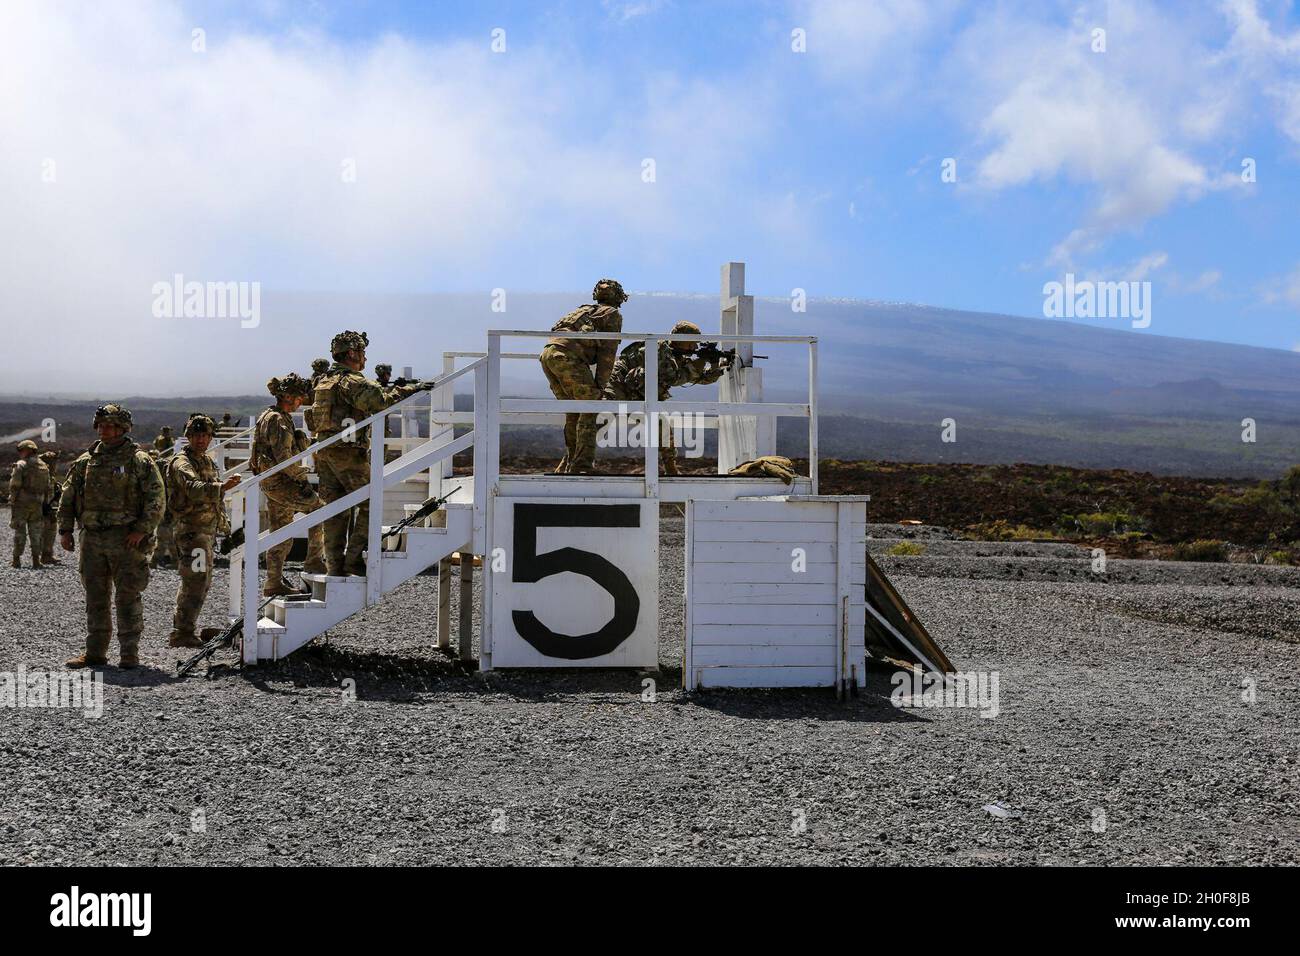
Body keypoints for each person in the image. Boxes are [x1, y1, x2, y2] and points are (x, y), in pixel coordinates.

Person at [310, 331, 427, 576]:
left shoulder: (325, 381)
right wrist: (410, 390)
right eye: (362, 352)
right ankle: (354, 560)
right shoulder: (351, 381)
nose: (364, 358)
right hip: (348, 454)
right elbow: (380, 402)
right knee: (370, 503)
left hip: (326, 452)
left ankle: (334, 566)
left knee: (335, 510)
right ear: (352, 353)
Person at [57, 404, 165, 669]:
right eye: (102, 425)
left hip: (126, 540)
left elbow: (156, 497)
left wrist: (142, 529)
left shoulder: (138, 460)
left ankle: (129, 653)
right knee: (96, 597)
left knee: (127, 596)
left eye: (111, 426)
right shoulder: (86, 461)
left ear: (122, 428)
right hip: (92, 538)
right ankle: (95, 652)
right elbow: (68, 495)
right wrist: (65, 529)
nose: (105, 430)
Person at [603, 321, 730, 475]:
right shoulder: (659, 350)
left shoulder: (679, 355)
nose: (694, 348)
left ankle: (671, 469)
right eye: (691, 344)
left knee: (662, 426)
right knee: (592, 423)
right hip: (617, 390)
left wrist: (715, 363)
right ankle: (575, 464)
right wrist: (702, 360)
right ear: (679, 340)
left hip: (638, 396)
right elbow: (674, 378)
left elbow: (701, 378)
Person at [165, 414, 239, 648]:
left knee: (201, 580)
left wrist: (223, 525)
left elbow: (213, 500)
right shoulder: (182, 462)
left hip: (205, 531)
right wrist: (222, 487)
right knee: (195, 581)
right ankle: (182, 632)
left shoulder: (206, 461)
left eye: (205, 435)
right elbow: (193, 488)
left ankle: (185, 628)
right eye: (196, 435)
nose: (201, 439)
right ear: (188, 437)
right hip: (191, 531)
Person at [538, 278, 626, 475]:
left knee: (574, 410)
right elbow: (607, 355)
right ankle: (582, 466)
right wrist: (601, 388)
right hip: (568, 357)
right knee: (590, 407)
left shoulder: (583, 310)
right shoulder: (611, 314)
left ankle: (567, 466)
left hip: (548, 356)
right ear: (619, 298)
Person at [252, 373, 327, 595]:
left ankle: (273, 582)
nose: (299, 402)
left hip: (271, 483)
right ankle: (314, 561)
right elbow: (285, 458)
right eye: (297, 398)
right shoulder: (278, 420)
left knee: (280, 533)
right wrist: (301, 477)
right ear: (287, 396)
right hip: (282, 483)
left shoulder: (268, 415)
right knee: (319, 509)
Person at [9, 439, 50, 568]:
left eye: (21, 450)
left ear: (28, 450)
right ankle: (36, 561)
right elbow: (47, 487)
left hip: (22, 503)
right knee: (36, 532)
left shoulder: (21, 465)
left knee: (20, 531)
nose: (20, 453)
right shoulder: (44, 466)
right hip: (38, 503)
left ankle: (16, 559)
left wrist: (13, 500)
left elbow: (15, 485)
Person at [39, 450, 61, 565]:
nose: (55, 465)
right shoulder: (42, 476)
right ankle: (43, 556)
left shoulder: (51, 476)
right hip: (43, 510)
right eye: (53, 462)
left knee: (51, 532)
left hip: (50, 509)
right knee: (44, 532)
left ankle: (47, 555)